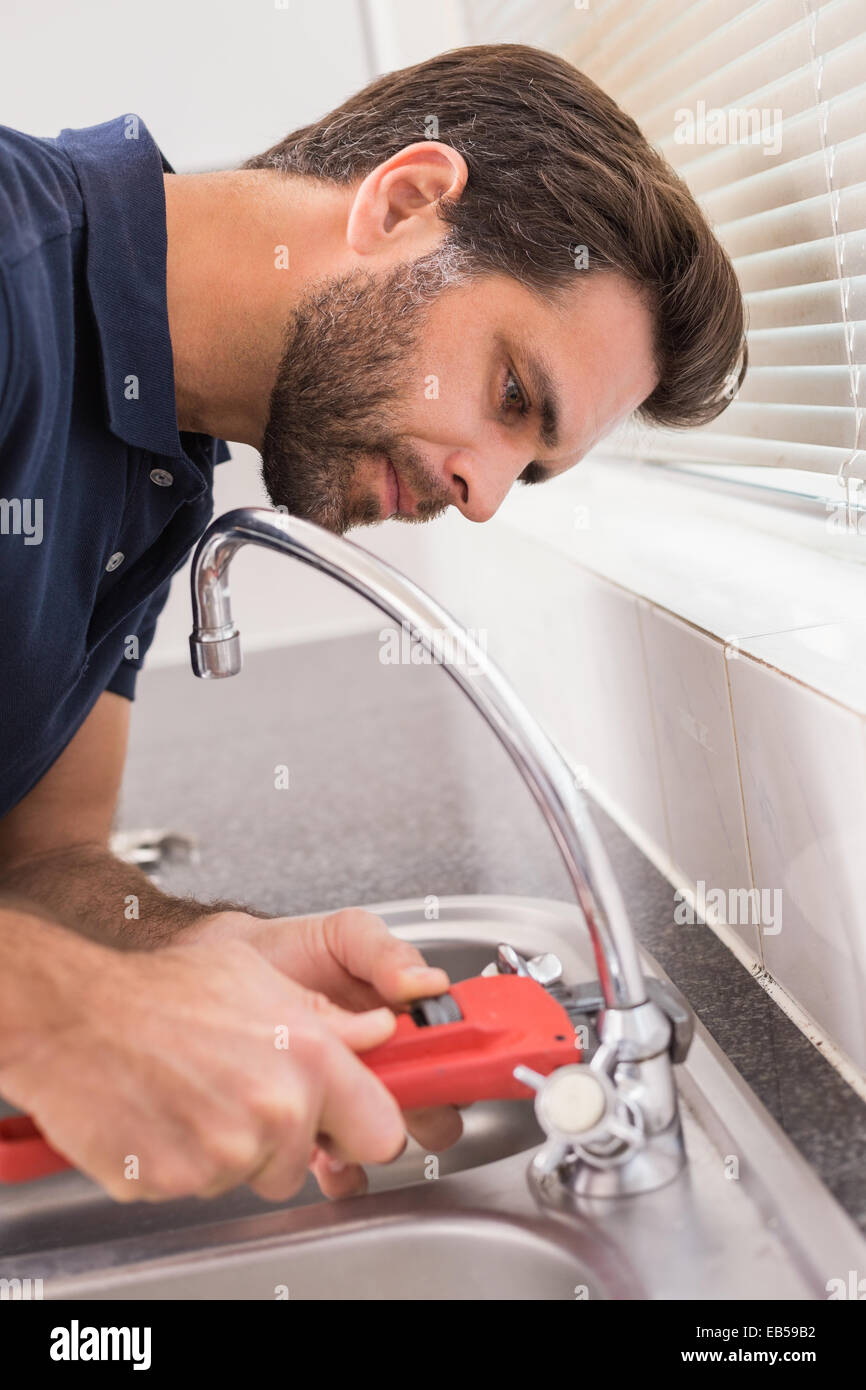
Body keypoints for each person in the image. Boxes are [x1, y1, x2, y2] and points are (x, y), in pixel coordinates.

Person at [0, 44, 745, 1202]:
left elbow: (39, 862)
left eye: (528, 470)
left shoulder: (158, 469)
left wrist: (200, 951)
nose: (483, 495)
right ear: (403, 203)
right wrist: (63, 1012)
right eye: (510, 396)